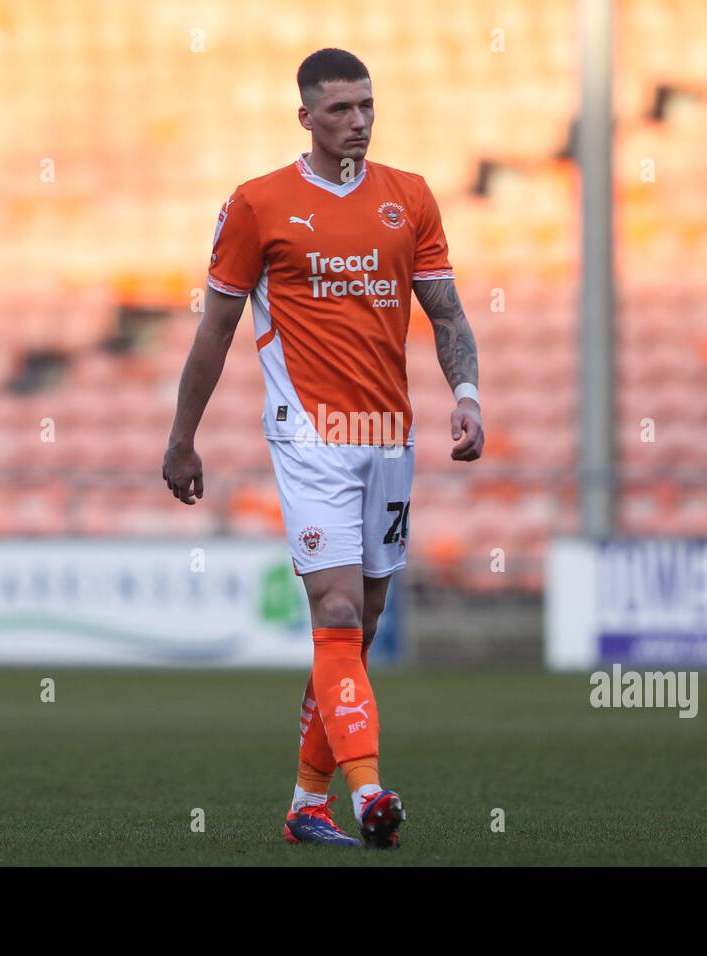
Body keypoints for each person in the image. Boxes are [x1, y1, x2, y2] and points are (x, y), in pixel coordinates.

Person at [162, 49, 484, 848]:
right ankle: (370, 793)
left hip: (390, 436)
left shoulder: (410, 197)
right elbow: (216, 329)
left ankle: (307, 805)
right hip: (310, 435)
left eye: (367, 105)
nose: (358, 121)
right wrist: (182, 439)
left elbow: (446, 313)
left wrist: (467, 396)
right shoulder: (258, 204)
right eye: (340, 108)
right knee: (335, 611)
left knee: (359, 629)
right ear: (305, 117)